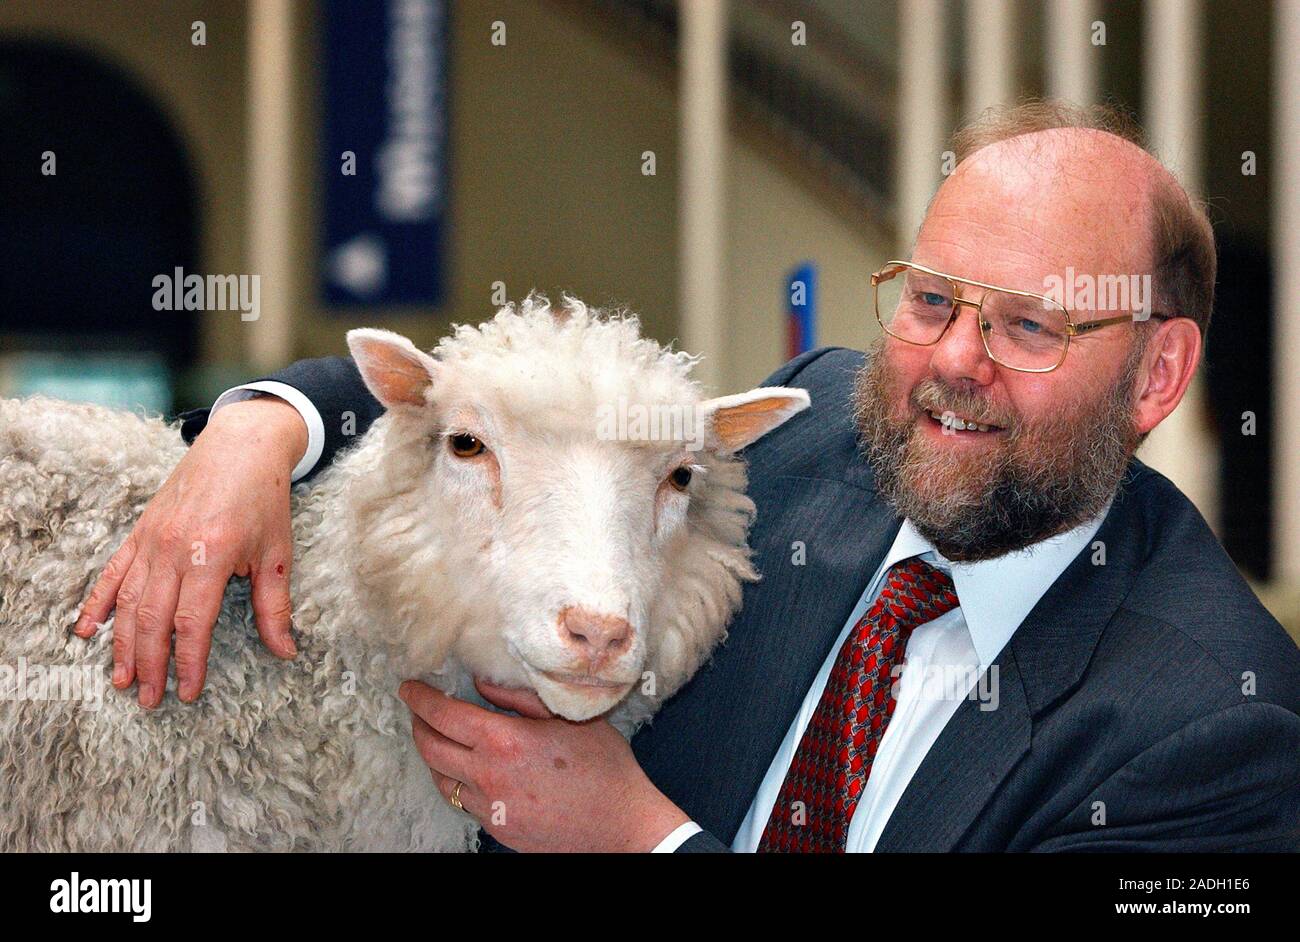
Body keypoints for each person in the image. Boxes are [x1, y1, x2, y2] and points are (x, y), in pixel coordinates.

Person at [74, 101, 1300, 852]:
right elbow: (534, 410)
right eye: (930, 301)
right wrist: (262, 430)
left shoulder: (1215, 733)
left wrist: (639, 841)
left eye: (1029, 326)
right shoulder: (816, 428)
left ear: (1156, 375)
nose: (951, 364)